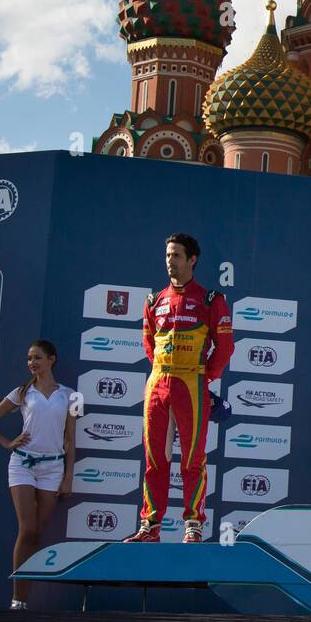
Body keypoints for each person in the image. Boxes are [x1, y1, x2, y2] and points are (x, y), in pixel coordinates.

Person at [125, 233, 233, 544]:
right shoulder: (153, 300)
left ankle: (193, 525)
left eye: (176, 256)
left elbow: (224, 348)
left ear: (192, 260)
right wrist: (163, 372)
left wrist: (203, 376)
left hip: (191, 383)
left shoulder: (211, 300)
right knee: (155, 459)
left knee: (192, 459)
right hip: (158, 383)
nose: (170, 261)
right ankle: (150, 526)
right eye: (168, 255)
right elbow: (149, 344)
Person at [0, 340, 76, 610]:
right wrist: (7, 443)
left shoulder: (71, 396)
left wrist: (68, 477)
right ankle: (16, 600)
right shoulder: (21, 393)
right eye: (29, 358)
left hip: (53, 469)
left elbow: (70, 440)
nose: (32, 363)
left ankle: (24, 598)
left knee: (37, 534)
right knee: (27, 528)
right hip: (22, 464)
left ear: (52, 359)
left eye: (38, 358)